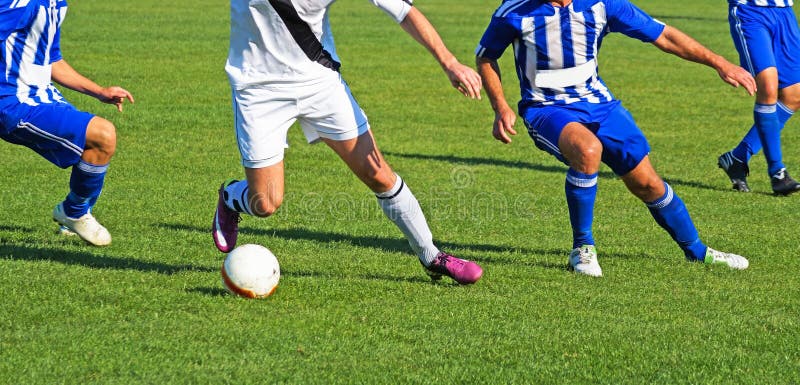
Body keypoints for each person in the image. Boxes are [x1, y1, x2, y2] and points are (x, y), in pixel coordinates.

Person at [475, 0, 756, 276]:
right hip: (546, 108)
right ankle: (583, 248)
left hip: (600, 105)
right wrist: (500, 107)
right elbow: (486, 56)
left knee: (648, 184)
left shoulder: (602, 4)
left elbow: (664, 35)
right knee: (587, 150)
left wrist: (720, 63)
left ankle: (698, 251)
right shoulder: (514, 11)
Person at [213, 0, 483, 284]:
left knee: (378, 173)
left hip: (319, 84)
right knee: (265, 203)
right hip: (258, 90)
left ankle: (431, 256)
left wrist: (450, 63)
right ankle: (231, 196)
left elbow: (404, 12)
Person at [0, 0, 134, 246]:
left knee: (98, 145)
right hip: (13, 102)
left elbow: (50, 60)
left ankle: (73, 215)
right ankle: (74, 212)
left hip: (43, 97)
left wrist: (99, 91)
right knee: (103, 134)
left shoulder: (56, 3)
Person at [717, 0, 800, 195]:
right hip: (750, 12)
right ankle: (778, 173)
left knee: (794, 96)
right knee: (768, 88)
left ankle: (737, 158)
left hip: (784, 13)